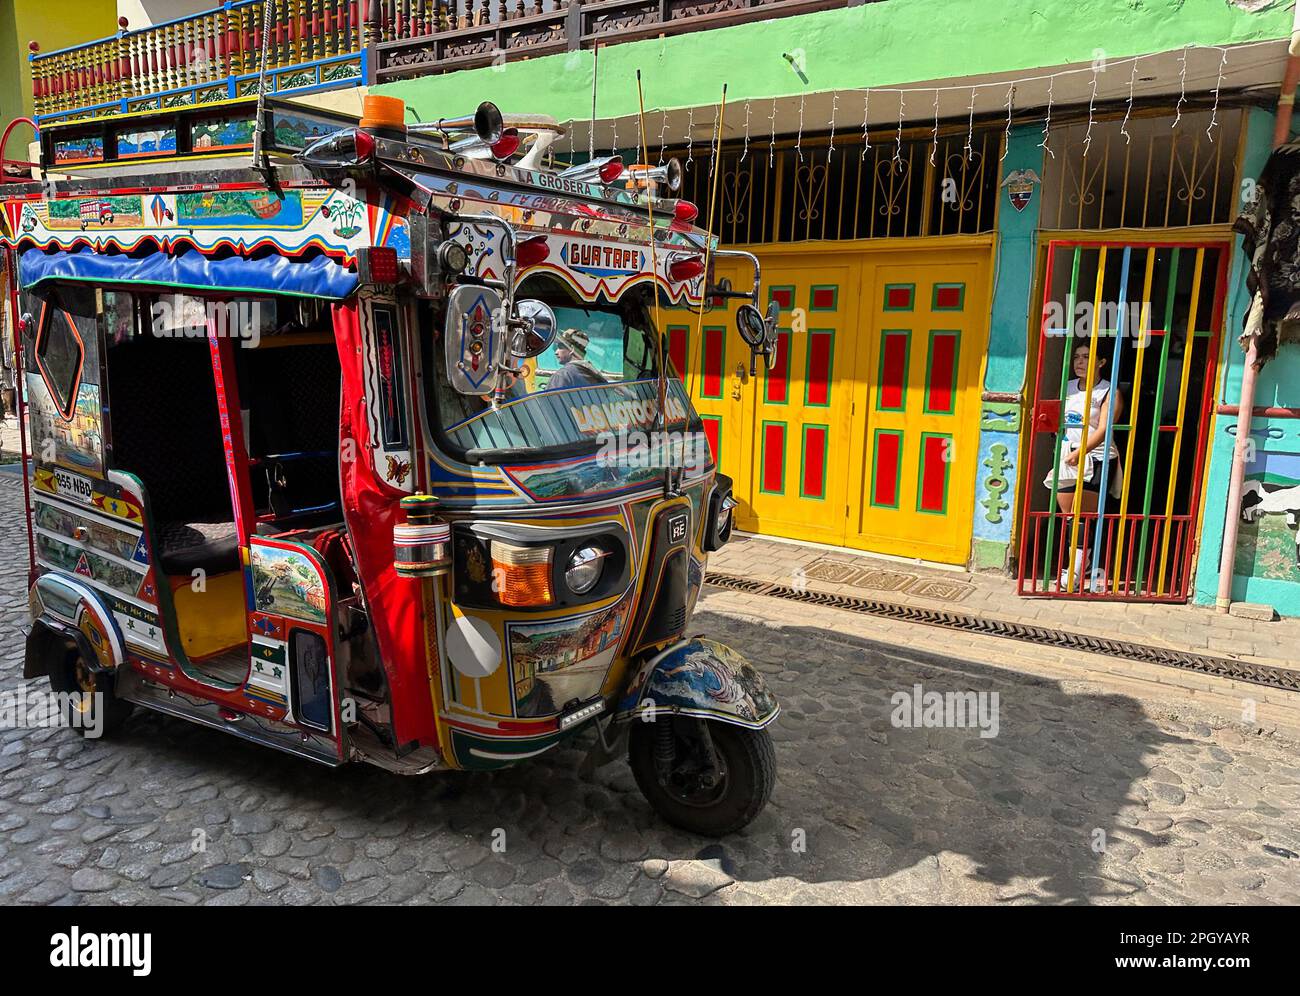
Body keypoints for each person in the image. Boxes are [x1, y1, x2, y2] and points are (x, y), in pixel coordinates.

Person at [1043, 342, 1124, 590]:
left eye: (1087, 357)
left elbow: (1104, 428)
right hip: (1068, 457)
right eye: (1077, 356)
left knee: (1082, 518)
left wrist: (1082, 451)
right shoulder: (1067, 388)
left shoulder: (1109, 391)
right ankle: (1081, 564)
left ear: (1101, 362)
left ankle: (1074, 574)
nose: (1080, 361)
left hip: (1096, 458)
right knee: (1069, 516)